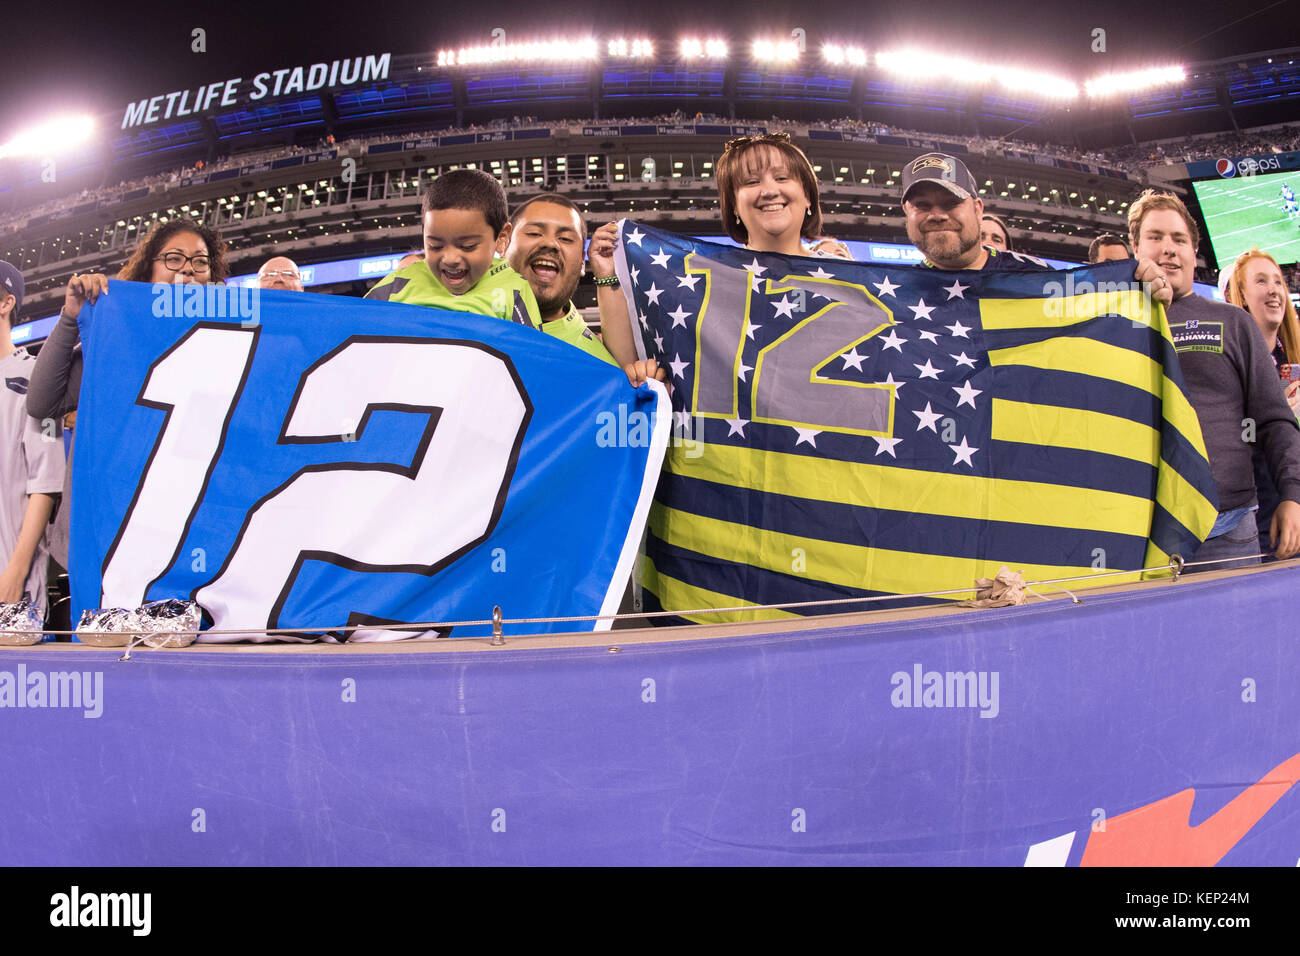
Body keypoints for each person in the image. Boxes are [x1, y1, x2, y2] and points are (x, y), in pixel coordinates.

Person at [27, 218, 230, 570]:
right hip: (111, 535)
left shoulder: (228, 347)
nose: (188, 270)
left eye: (200, 261)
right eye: (174, 258)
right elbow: (42, 403)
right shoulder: (115, 340)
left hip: (191, 538)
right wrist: (70, 317)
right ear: (148, 271)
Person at [1130, 190, 1300, 568]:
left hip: (1227, 531)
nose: (1169, 249)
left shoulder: (1233, 322)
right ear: (1135, 246)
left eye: (1179, 239)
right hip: (1137, 530)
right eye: (1155, 237)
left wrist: (1292, 495)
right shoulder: (1111, 322)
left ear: (1194, 252)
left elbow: (1273, 419)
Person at [602, 131, 829, 365]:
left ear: (808, 195)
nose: (769, 191)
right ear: (733, 206)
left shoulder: (849, 280)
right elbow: (628, 366)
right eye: (752, 182)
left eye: (782, 178)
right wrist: (608, 276)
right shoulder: (707, 281)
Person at [504, 194, 663, 386]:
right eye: (535, 233)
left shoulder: (602, 364)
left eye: (565, 238)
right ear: (503, 245)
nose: (551, 244)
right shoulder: (466, 323)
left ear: (581, 262)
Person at [365, 169, 542, 330]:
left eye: (467, 246)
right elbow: (351, 328)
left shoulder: (513, 289)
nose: (450, 259)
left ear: (502, 238)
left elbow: (534, 356)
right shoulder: (398, 283)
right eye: (435, 246)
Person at [1224, 248, 1300, 557]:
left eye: (1278, 282)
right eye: (1261, 281)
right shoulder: (1229, 360)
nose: (1274, 290)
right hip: (1260, 520)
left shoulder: (1292, 357)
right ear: (1240, 295)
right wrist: (1274, 413)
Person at [0, 261, 64, 615]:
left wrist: (17, 569)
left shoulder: (35, 377)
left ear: (5, 303)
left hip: (9, 576)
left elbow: (46, 484)